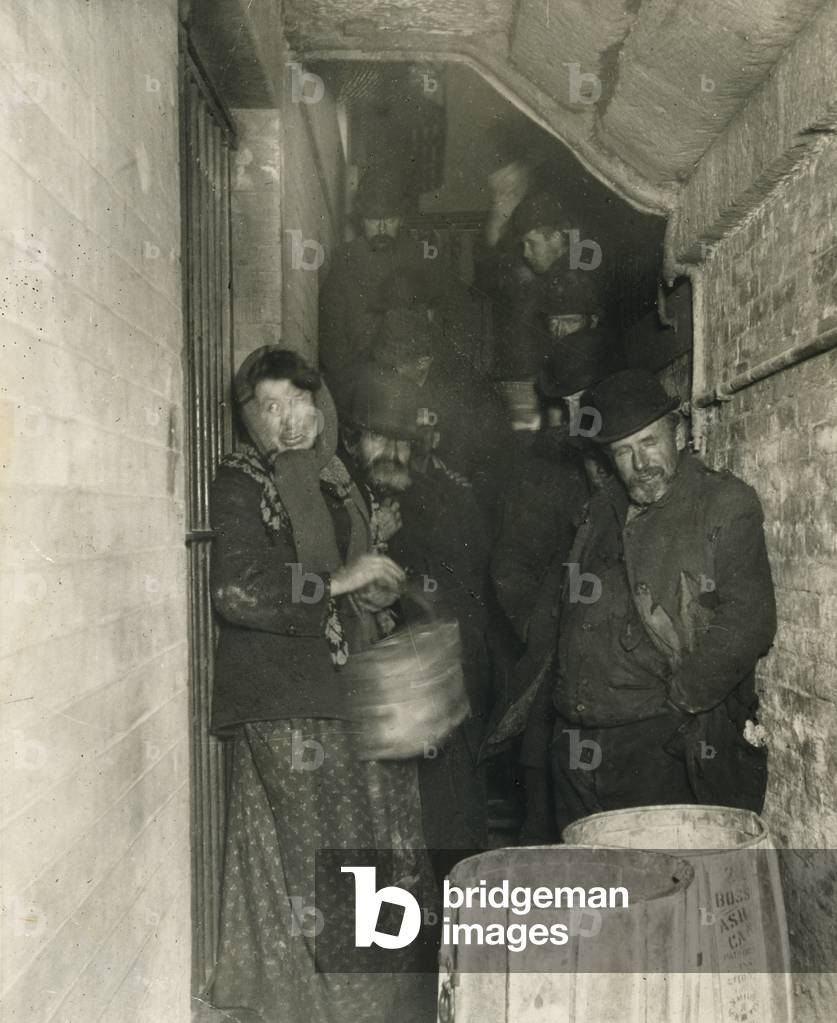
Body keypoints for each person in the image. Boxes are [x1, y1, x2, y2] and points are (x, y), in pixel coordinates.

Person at [206, 346, 436, 1023]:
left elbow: (347, 576)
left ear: (318, 399)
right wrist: (342, 581)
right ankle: (348, 1007)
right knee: (326, 855)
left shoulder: (336, 475)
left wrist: (374, 590)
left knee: (318, 856)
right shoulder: (241, 479)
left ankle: (312, 1005)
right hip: (283, 697)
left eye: (296, 402)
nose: (286, 421)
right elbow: (236, 588)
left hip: (339, 686)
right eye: (268, 408)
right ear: (250, 419)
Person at [544, 368, 777, 830]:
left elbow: (749, 619)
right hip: (575, 745)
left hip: (654, 746)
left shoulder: (722, 503)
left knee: (659, 888)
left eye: (649, 442)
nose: (639, 462)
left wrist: (678, 705)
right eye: (623, 452)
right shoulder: (602, 510)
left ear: (680, 432)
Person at [339, 366, 492, 855]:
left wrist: (401, 592)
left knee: (445, 830)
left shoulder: (449, 502)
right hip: (359, 710)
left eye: (404, 442)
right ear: (352, 439)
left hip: (432, 701)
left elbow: (468, 593)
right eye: (379, 438)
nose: (393, 453)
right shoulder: (339, 500)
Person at [485, 326, 624, 841]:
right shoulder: (543, 469)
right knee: (549, 820)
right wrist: (547, 632)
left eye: (588, 397)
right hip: (558, 677)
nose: (579, 410)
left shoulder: (633, 459)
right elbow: (511, 565)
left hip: (628, 692)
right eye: (571, 401)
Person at [318, 168, 443, 413]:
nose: (383, 228)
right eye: (375, 219)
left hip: (412, 384)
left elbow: (439, 323)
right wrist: (351, 389)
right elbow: (331, 337)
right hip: (360, 384)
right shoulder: (345, 260)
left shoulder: (419, 259)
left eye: (391, 218)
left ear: (402, 219)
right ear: (362, 220)